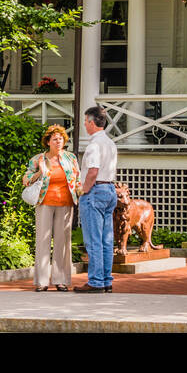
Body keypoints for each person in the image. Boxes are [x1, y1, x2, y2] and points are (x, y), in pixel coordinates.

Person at [21, 124, 80, 292]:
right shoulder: (38, 159)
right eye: (55, 139)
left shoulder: (71, 158)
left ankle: (61, 280)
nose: (58, 141)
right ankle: (41, 281)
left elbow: (78, 177)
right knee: (42, 241)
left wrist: (81, 192)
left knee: (63, 243)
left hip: (66, 203)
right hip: (44, 202)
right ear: (48, 142)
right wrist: (40, 171)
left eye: (61, 139)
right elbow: (26, 180)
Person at [75, 106, 118, 294]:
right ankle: (106, 280)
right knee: (107, 239)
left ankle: (96, 281)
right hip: (109, 188)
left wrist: (84, 189)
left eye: (86, 121)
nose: (84, 125)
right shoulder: (110, 143)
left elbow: (92, 171)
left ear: (92, 123)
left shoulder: (93, 145)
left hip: (95, 191)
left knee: (93, 240)